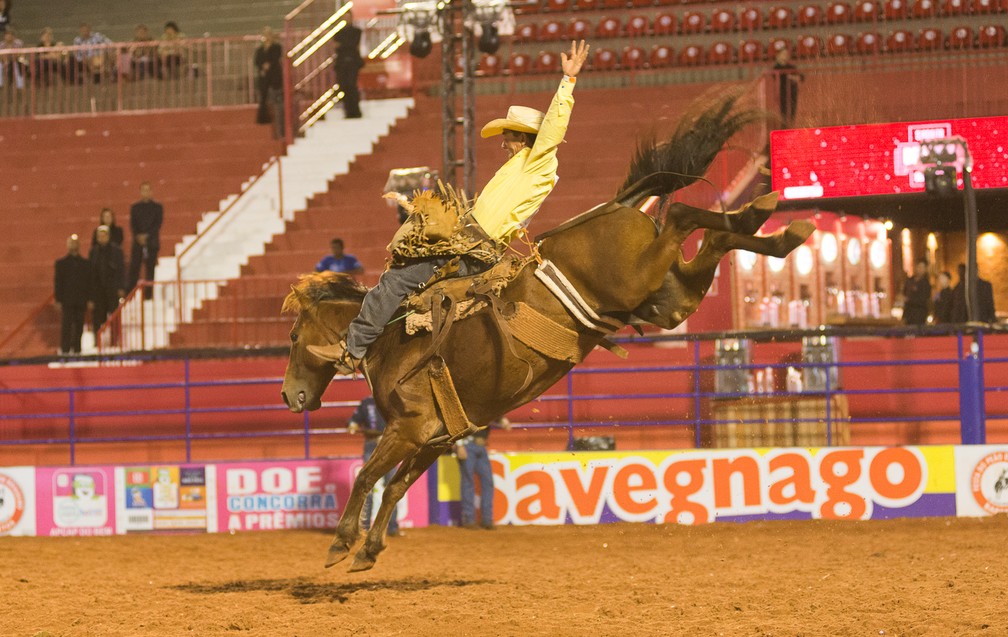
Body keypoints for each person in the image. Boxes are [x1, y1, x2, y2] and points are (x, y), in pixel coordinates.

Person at [326, 40, 591, 373]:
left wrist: (567, 82)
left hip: (472, 247)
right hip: (469, 242)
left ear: (524, 137)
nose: (503, 142)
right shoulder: (523, 166)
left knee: (395, 283)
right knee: (410, 286)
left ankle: (352, 350)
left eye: (508, 135)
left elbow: (552, 128)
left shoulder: (538, 161)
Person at [348, 396, 402, 536]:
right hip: (372, 445)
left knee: (390, 487)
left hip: (388, 445)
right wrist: (352, 424)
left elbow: (400, 423)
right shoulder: (366, 403)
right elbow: (354, 419)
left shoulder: (392, 402)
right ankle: (364, 527)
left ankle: (392, 527)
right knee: (368, 487)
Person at [456, 417, 511, 529]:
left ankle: (485, 519)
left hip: (477, 446)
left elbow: (494, 415)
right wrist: (459, 445)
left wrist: (502, 420)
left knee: (486, 482)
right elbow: (457, 421)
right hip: (468, 445)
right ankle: (470, 519)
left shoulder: (484, 406)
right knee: (469, 482)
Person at [54, 234, 92, 355]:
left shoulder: (86, 264)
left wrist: (89, 299)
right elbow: (58, 282)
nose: (73, 245)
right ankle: (65, 350)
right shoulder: (61, 264)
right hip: (67, 300)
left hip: (81, 300)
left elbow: (89, 282)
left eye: (75, 243)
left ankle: (77, 349)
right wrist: (58, 299)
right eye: (71, 243)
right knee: (66, 326)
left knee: (79, 326)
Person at [128, 182, 163, 299]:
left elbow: (157, 224)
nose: (146, 192)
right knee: (134, 269)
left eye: (148, 190)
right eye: (143, 190)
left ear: (151, 191)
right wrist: (139, 236)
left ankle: (148, 295)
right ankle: (131, 294)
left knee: (150, 270)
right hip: (138, 243)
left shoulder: (158, 207)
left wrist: (146, 237)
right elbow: (133, 225)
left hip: (152, 242)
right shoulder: (135, 208)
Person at [88, 225, 126, 334]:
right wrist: (90, 294)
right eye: (99, 236)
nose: (102, 238)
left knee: (114, 315)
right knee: (98, 317)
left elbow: (121, 269)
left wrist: (121, 287)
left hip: (112, 288)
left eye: (104, 235)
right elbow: (90, 273)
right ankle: (97, 339)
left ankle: (115, 339)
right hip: (98, 290)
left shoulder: (116, 251)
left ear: (109, 236)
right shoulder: (93, 252)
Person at [254, 26, 284, 139]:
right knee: (264, 99)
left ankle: (280, 130)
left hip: (275, 78)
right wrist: (263, 66)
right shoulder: (260, 50)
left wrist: (269, 64)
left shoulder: (276, 47)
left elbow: (276, 58)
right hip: (264, 79)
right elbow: (257, 61)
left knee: (278, 103)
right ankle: (263, 119)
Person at [333, 12, 363, 119]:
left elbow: (351, 44)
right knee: (344, 86)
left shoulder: (356, 31)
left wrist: (343, 45)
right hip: (342, 63)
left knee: (351, 85)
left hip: (352, 62)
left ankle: (355, 110)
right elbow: (338, 45)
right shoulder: (339, 32)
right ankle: (348, 111)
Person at [772, 48, 803, 127]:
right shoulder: (776, 67)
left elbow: (801, 77)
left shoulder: (791, 67)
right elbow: (779, 76)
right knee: (783, 114)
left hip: (792, 93)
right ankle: (784, 129)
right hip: (782, 94)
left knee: (792, 113)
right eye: (783, 54)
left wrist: (793, 77)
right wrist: (791, 77)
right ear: (778, 56)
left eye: (786, 54)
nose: (785, 56)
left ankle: (790, 128)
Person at [901, 258, 931, 326]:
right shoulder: (909, 281)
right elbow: (904, 293)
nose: (920, 269)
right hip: (908, 314)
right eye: (919, 267)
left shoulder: (926, 284)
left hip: (919, 315)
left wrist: (909, 299)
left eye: (922, 267)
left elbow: (923, 300)